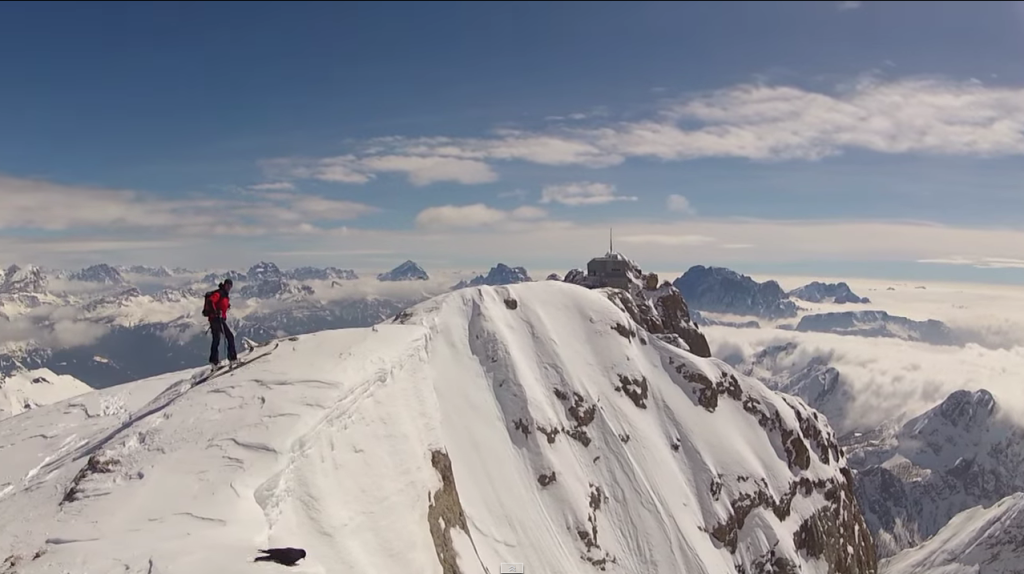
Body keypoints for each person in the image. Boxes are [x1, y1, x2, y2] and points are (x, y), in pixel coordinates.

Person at [207, 279, 238, 367]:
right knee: (230, 336)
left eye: (230, 286)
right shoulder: (220, 293)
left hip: (214, 319)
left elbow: (219, 303)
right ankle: (232, 358)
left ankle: (214, 362)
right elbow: (210, 301)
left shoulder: (224, 294)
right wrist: (216, 312)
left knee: (216, 340)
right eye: (227, 285)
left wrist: (226, 306)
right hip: (217, 320)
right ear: (224, 285)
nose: (229, 287)